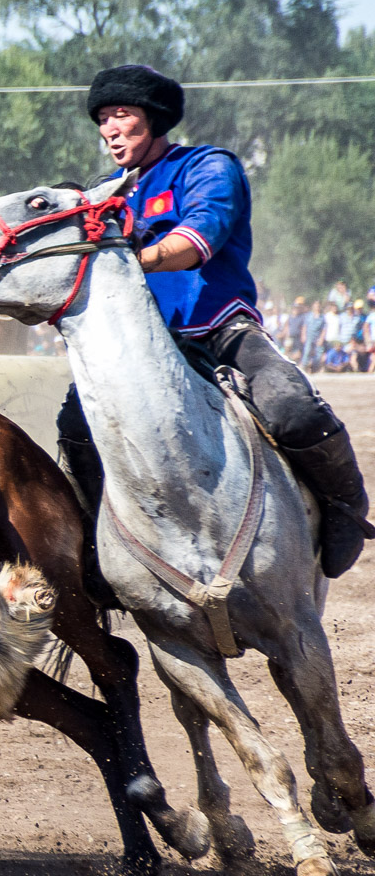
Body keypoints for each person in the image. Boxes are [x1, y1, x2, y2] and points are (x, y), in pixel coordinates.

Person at [58, 64, 373, 578]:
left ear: (154, 119)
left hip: (219, 328)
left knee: (289, 404)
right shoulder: (105, 191)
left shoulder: (208, 167)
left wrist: (141, 257)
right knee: (76, 425)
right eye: (102, 119)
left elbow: (201, 234)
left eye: (121, 115)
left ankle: (344, 510)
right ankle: (94, 543)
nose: (109, 129)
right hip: (142, 346)